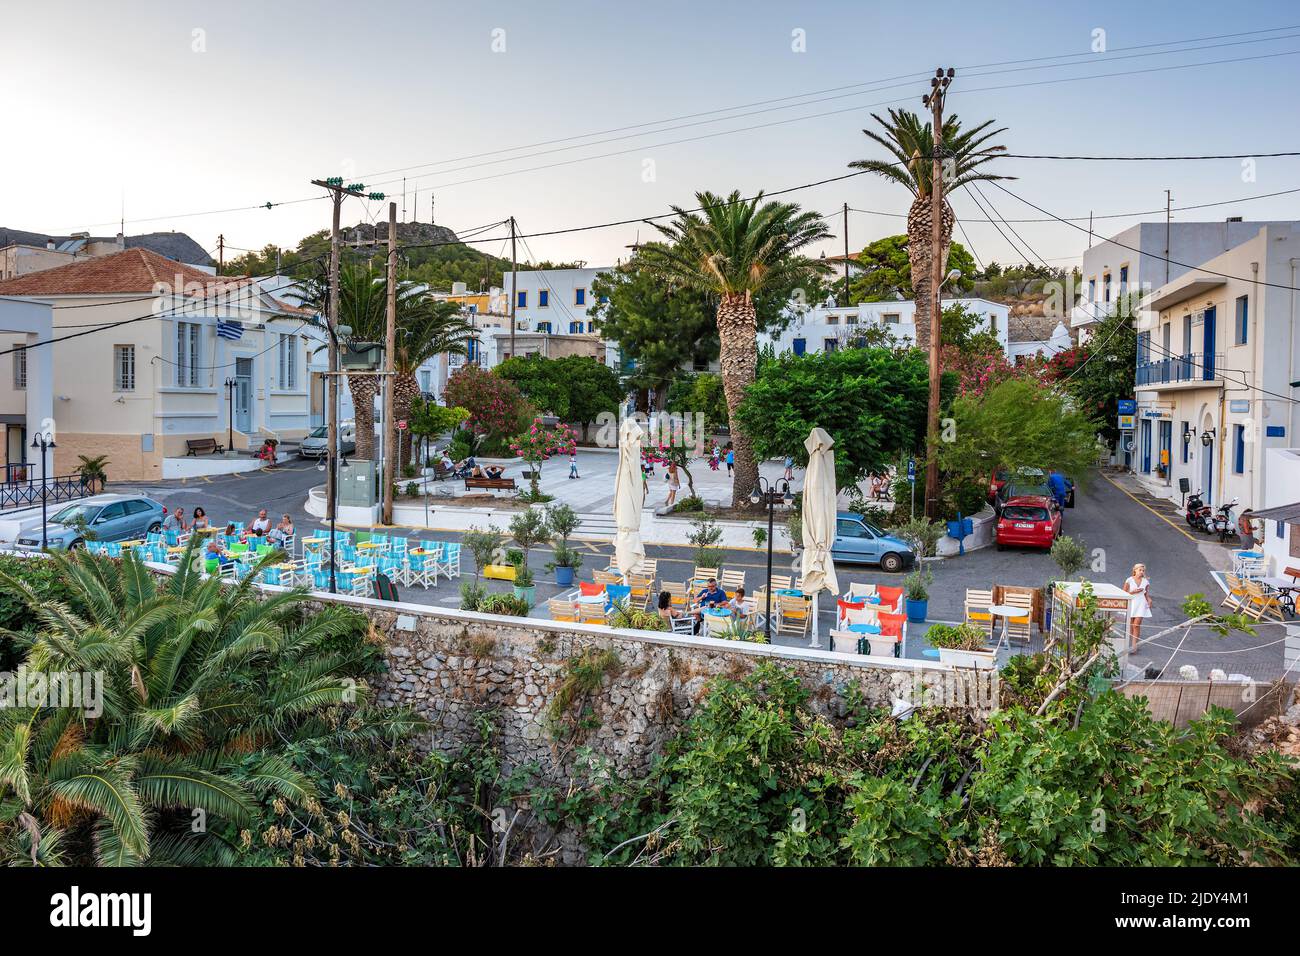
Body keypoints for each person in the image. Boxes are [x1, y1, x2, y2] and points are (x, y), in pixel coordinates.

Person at [1123, 563, 1152, 653]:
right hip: (1132, 603)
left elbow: (1146, 594)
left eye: (1143, 571)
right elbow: (1123, 593)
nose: (1141, 572)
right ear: (1135, 570)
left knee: (1136, 624)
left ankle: (1134, 647)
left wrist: (1149, 600)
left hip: (1141, 604)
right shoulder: (1129, 580)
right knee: (1131, 625)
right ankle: (1132, 644)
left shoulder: (1145, 581)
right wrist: (1133, 592)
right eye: (1140, 570)